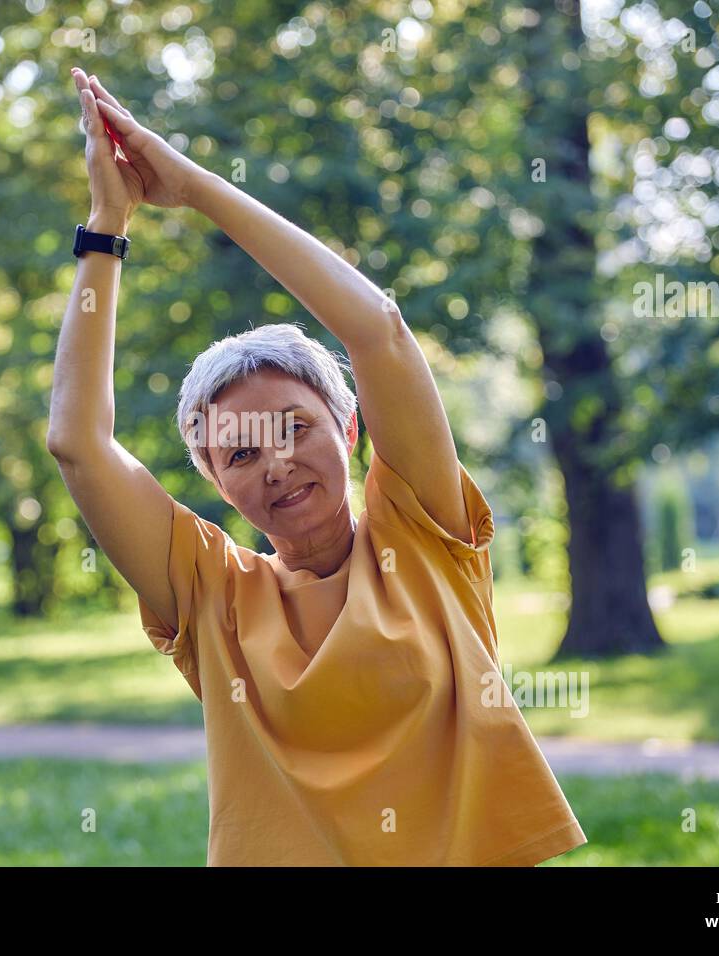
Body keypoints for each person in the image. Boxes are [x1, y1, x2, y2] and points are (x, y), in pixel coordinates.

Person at [47, 68, 587, 866]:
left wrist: (194, 188)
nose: (276, 462)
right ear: (212, 479)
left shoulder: (427, 533)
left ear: (350, 426)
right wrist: (105, 225)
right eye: (239, 450)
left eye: (295, 427)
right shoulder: (209, 593)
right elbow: (77, 443)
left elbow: (380, 330)